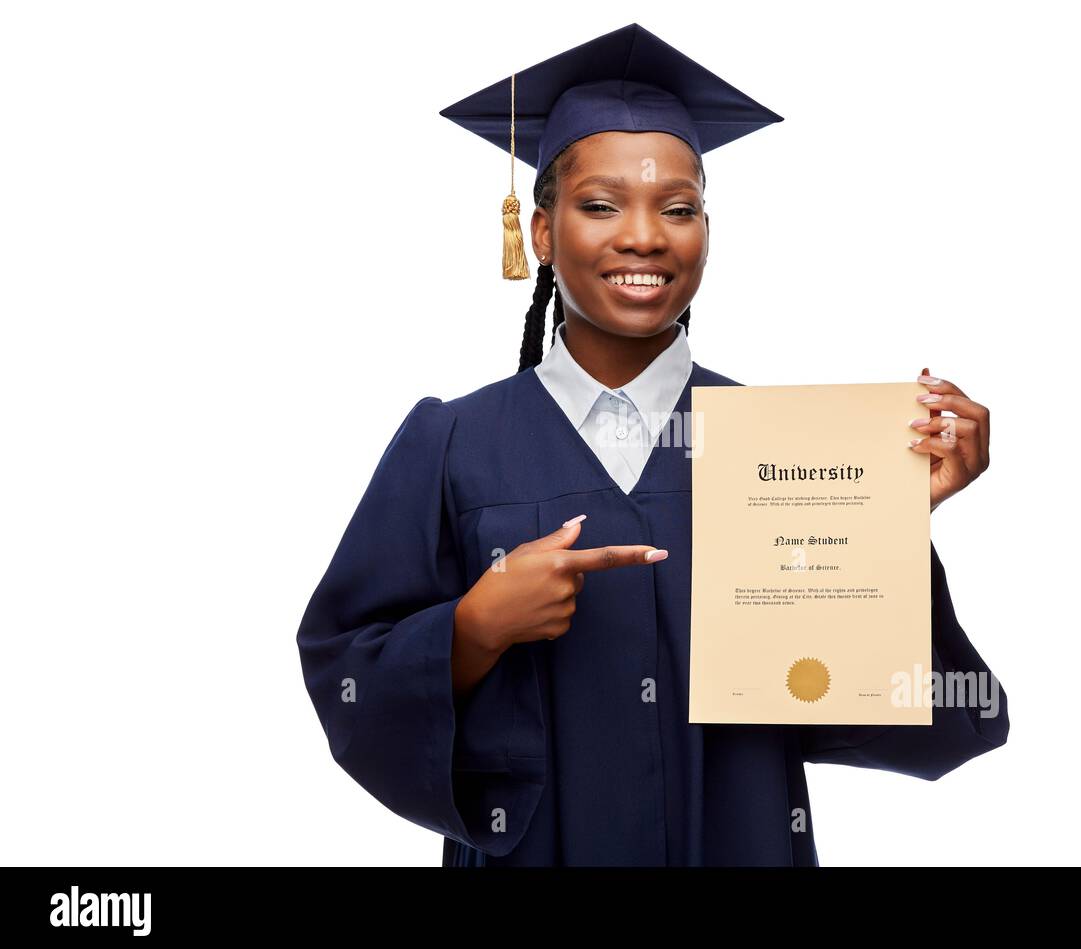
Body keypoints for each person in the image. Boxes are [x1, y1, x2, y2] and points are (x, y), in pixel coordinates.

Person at [295, 23, 1008, 867]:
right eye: (600, 205)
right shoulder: (453, 443)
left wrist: (877, 525)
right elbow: (346, 676)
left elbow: (942, 720)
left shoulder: (790, 451)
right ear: (542, 233)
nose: (644, 236)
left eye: (679, 208)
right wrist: (473, 628)